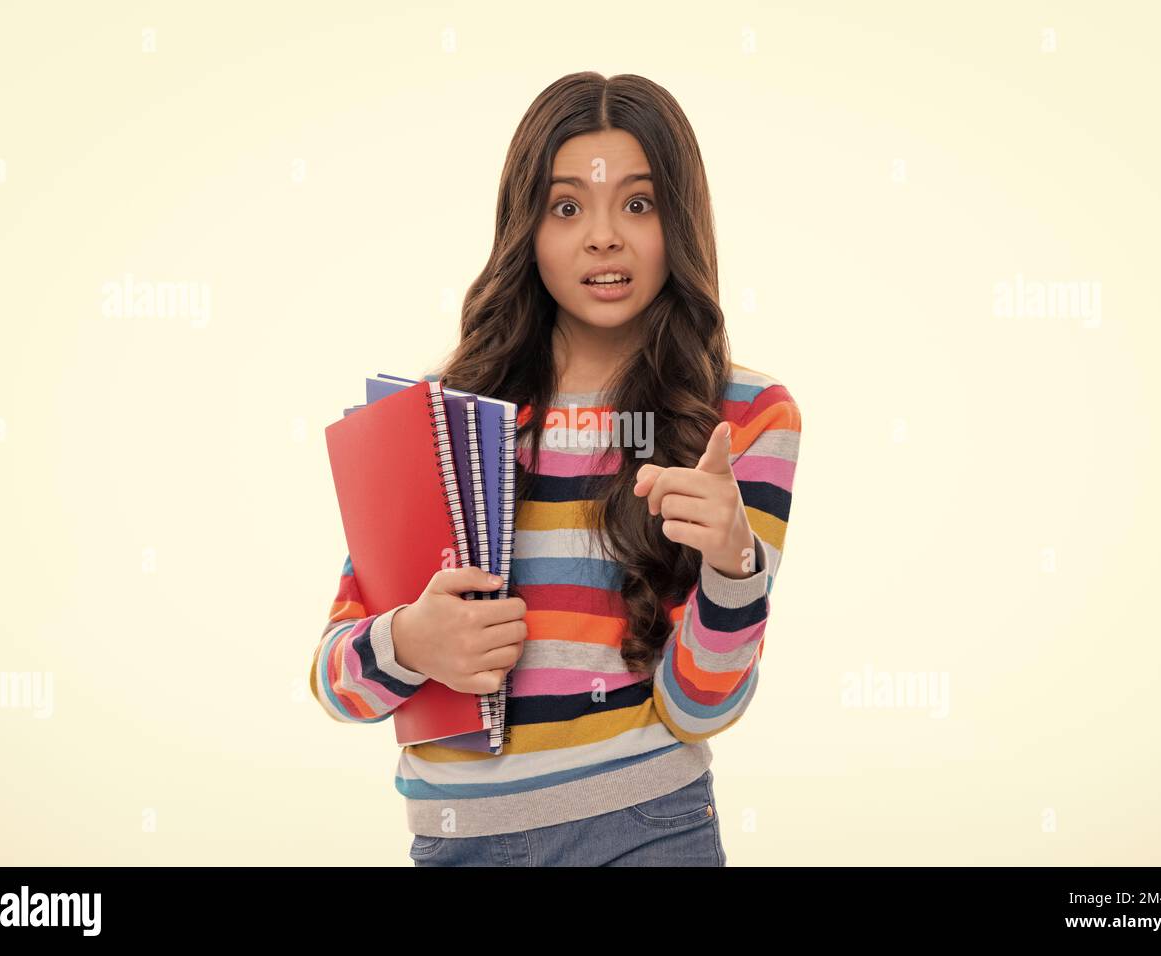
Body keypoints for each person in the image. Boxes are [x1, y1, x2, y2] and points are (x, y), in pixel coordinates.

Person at [309, 71, 802, 866]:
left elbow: (704, 705)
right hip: (459, 845)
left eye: (637, 204)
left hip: (649, 831)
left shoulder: (742, 414)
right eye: (566, 206)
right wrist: (412, 641)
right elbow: (339, 682)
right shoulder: (443, 416)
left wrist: (732, 565)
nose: (602, 237)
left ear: (678, 220)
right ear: (524, 229)